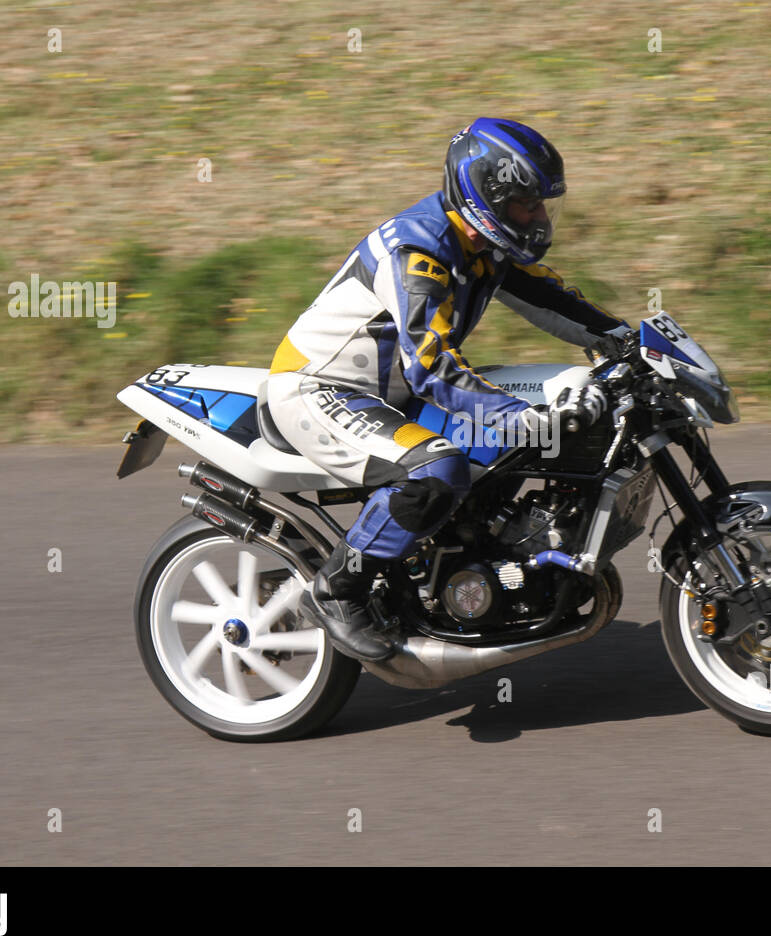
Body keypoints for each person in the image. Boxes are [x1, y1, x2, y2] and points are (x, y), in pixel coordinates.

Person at [266, 117, 634, 662]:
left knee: (507, 447)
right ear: (485, 195)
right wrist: (515, 415)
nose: (537, 218)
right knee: (439, 469)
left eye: (542, 206)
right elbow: (432, 368)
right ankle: (337, 591)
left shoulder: (482, 241)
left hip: (390, 393)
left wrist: (633, 342)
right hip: (321, 389)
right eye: (525, 205)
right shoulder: (420, 251)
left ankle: (465, 562)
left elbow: (555, 300)